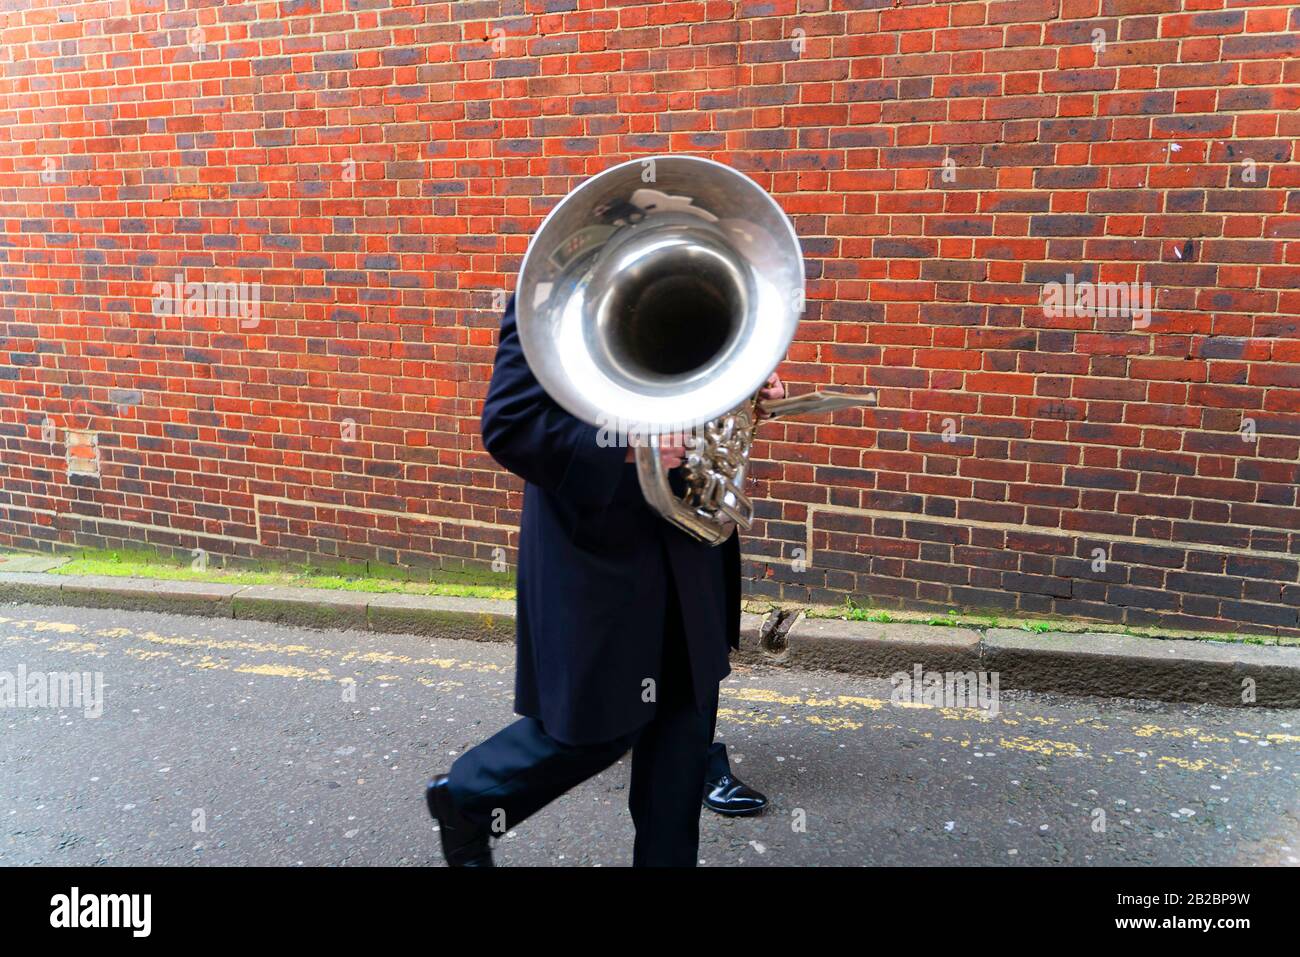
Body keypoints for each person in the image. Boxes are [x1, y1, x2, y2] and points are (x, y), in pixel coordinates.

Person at [425, 295, 783, 866]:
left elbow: (704, 399)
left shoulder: (705, 287)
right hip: (601, 558)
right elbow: (511, 425)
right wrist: (628, 445)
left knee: (682, 745)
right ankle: (469, 796)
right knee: (596, 730)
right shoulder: (550, 296)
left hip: (693, 546)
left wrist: (745, 393)